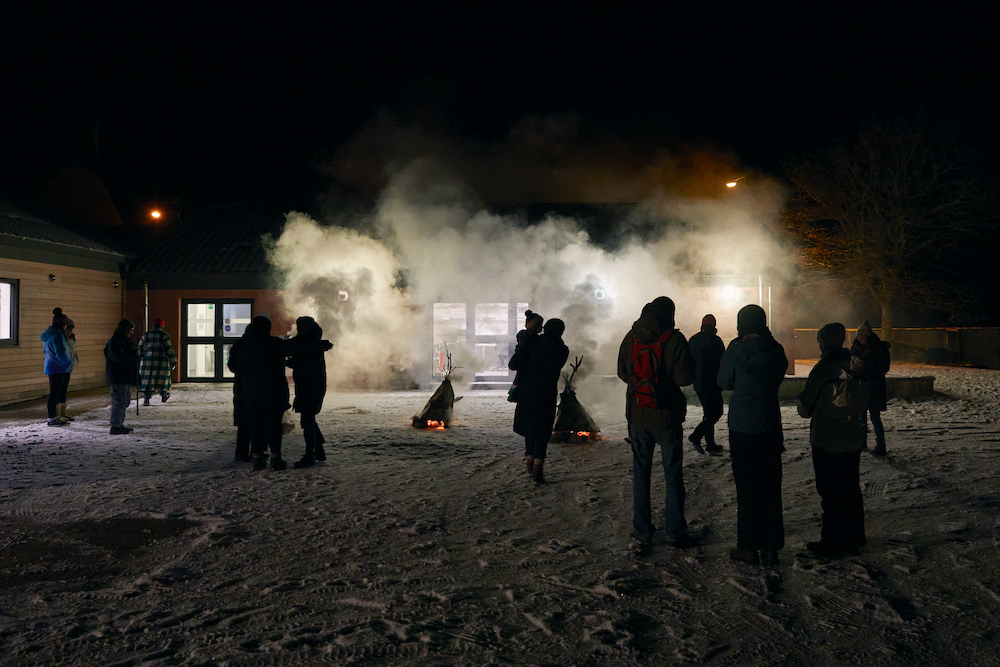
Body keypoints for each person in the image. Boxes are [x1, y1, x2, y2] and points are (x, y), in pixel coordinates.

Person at [617, 296, 696, 548]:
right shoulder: (674, 339)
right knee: (672, 473)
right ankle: (675, 531)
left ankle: (642, 530)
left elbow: (622, 372)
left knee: (641, 473)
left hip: (638, 415)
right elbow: (684, 379)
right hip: (666, 417)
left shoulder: (631, 336)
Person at [717, 304, 789, 566]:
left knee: (747, 488)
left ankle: (748, 546)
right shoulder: (776, 349)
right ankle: (771, 547)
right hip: (769, 424)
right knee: (771, 486)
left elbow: (723, 382)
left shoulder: (735, 349)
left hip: (742, 426)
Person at [798, 322, 868, 558]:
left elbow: (805, 407)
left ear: (823, 343)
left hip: (826, 439)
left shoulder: (822, 370)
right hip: (854, 436)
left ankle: (832, 539)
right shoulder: (858, 365)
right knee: (850, 488)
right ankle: (855, 537)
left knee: (830, 491)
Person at [508, 317, 569, 484]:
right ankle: (537, 468)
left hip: (527, 393)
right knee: (542, 430)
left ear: (544, 329)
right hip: (547, 394)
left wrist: (525, 341)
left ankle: (529, 461)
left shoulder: (532, 343)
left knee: (530, 427)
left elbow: (513, 364)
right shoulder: (563, 350)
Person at [227, 315, 290, 470]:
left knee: (256, 425)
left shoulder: (242, 345)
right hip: (274, 392)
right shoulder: (275, 344)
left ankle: (257, 458)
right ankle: (276, 458)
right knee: (274, 426)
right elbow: (294, 349)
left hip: (251, 393)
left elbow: (234, 367)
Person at [285, 316, 334, 468]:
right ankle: (318, 450)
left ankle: (309, 455)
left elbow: (305, 364)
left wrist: (288, 362)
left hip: (308, 387)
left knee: (307, 421)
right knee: (309, 419)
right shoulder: (314, 343)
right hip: (313, 386)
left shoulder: (309, 343)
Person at [850, 320, 891, 457]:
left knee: (874, 416)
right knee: (861, 417)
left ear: (869, 336)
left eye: (863, 337)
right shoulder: (855, 347)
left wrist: (868, 371)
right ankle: (862, 442)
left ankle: (880, 444)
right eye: (859, 337)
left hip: (874, 387)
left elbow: (884, 367)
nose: (860, 339)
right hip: (860, 386)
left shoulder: (879, 348)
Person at [687, 314, 726, 456]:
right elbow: (722, 362)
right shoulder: (715, 341)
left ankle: (710, 444)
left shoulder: (693, 340)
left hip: (699, 383)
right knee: (716, 412)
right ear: (714, 325)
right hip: (712, 383)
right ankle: (696, 436)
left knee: (708, 413)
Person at [509, 310, 544, 453]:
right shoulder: (535, 343)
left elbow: (514, 365)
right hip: (540, 389)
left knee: (529, 424)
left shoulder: (525, 342)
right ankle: (537, 461)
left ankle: (530, 457)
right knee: (540, 425)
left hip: (525, 389)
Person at [227, 320, 256, 462]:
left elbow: (232, 366)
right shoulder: (264, 345)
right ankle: (257, 452)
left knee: (244, 423)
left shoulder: (238, 345)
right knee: (258, 420)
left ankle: (241, 452)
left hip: (242, 387)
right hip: (259, 388)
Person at [40, 308, 74, 427]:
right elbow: (60, 353)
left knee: (55, 393)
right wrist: (68, 362)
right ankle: (52, 418)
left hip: (52, 366)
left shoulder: (50, 334)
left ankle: (54, 417)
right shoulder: (58, 336)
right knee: (55, 394)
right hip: (58, 367)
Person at [104, 319, 137, 435]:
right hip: (118, 376)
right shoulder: (116, 342)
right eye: (130, 330)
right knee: (119, 401)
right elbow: (118, 358)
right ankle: (116, 425)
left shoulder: (123, 341)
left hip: (123, 376)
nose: (131, 332)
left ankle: (118, 424)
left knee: (124, 401)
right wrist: (132, 355)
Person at [138, 317, 178, 406]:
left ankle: (146, 399)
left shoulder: (146, 335)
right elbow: (169, 349)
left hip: (147, 362)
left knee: (148, 381)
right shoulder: (164, 335)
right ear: (162, 326)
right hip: (161, 362)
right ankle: (164, 395)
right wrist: (174, 361)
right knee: (162, 380)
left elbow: (139, 348)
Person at [60, 322, 80, 421]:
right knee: (59, 389)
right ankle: (58, 414)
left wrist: (75, 359)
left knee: (64, 389)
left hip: (68, 366)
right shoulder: (61, 338)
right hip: (60, 367)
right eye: (69, 328)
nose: (71, 331)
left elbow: (73, 350)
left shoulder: (71, 338)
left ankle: (63, 413)